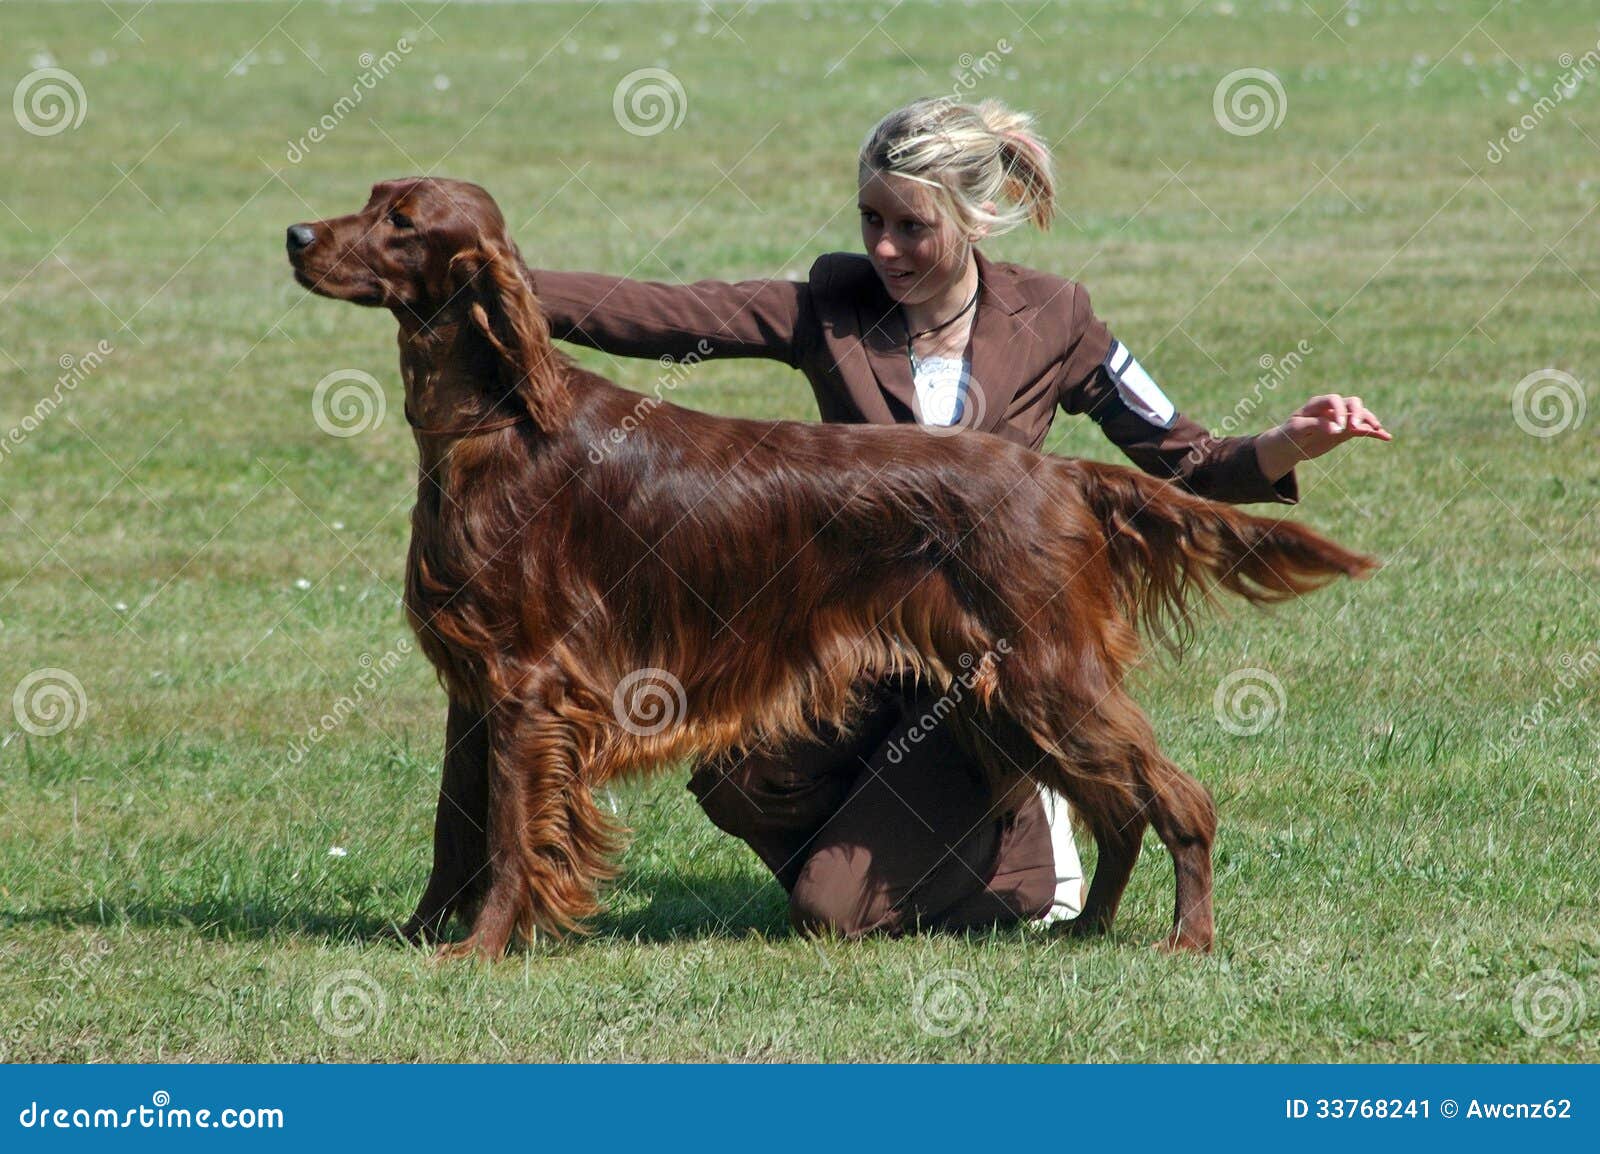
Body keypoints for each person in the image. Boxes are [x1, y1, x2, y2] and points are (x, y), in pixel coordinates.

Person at [524, 97, 1391, 938]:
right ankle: (901, 857)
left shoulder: (1055, 318)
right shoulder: (837, 302)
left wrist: (1286, 444)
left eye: (912, 227)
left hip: (985, 667)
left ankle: (1019, 854)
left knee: (829, 913)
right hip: (854, 656)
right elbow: (672, 314)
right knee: (734, 773)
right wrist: (496, 278)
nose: (885, 248)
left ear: (972, 219)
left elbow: (1187, 459)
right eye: (871, 220)